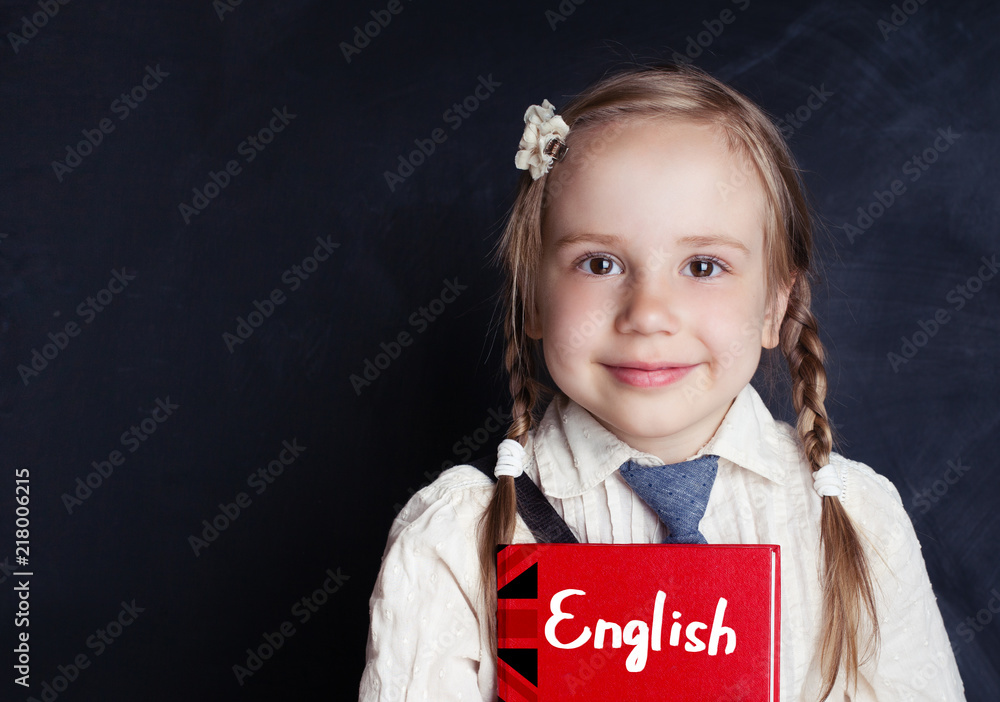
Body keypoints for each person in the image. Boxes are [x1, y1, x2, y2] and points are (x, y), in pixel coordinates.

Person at [358, 62, 966, 701]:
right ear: (533, 297)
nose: (647, 312)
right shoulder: (459, 537)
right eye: (599, 262)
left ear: (773, 307)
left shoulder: (855, 520)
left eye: (703, 266)